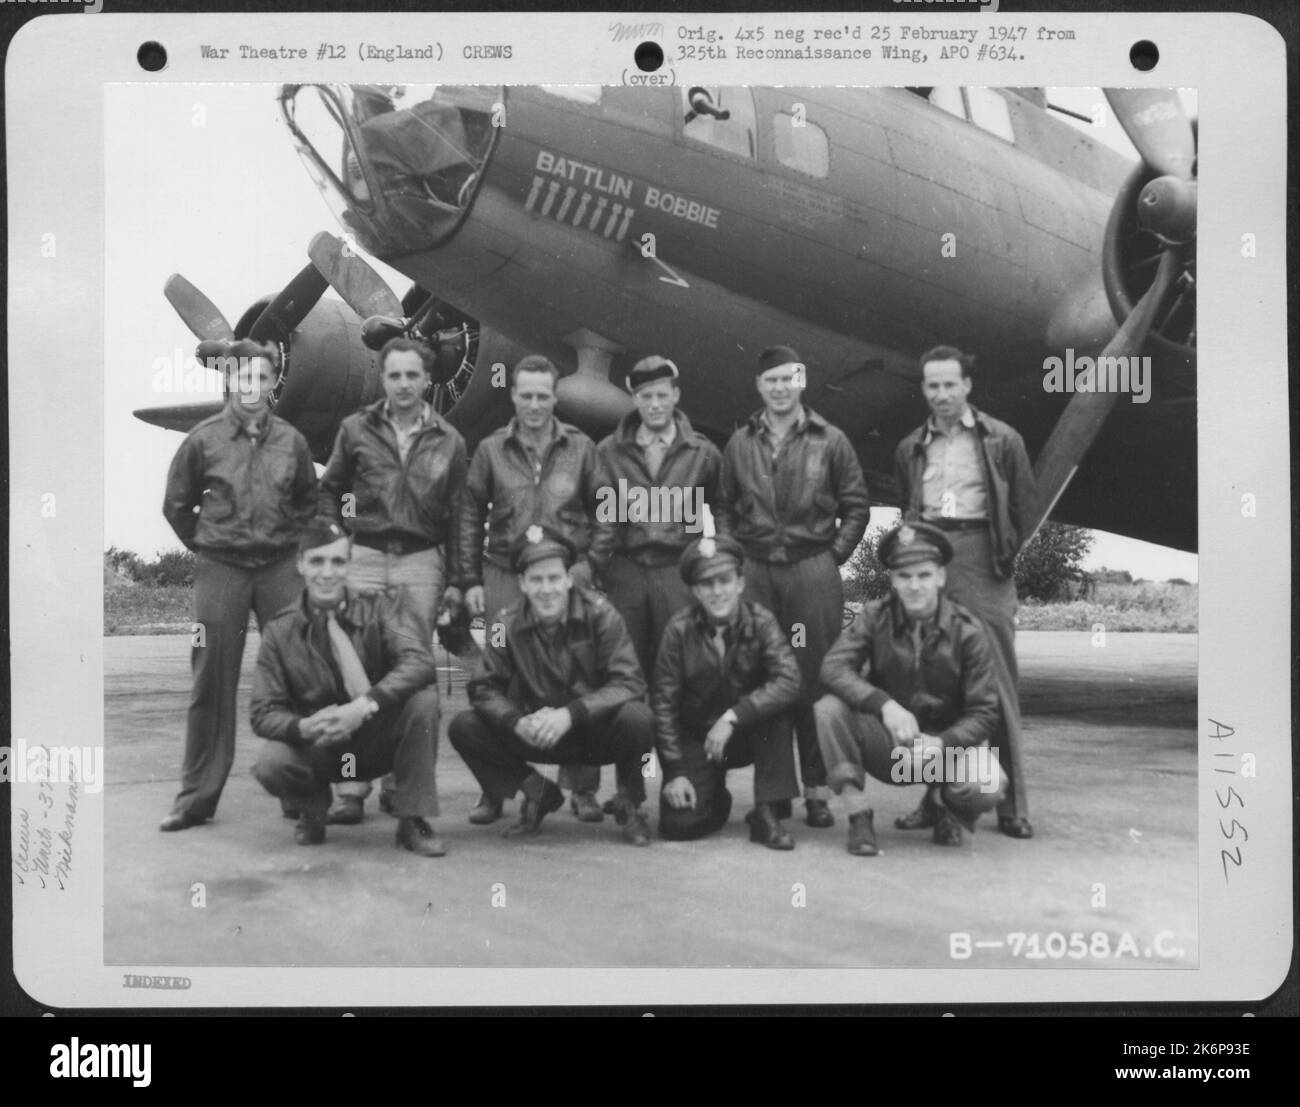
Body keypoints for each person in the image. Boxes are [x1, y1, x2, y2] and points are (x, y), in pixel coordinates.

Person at [159, 339, 317, 832]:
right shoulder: (203, 439)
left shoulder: (292, 441)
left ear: (273, 384)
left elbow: (307, 503)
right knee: (211, 677)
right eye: (243, 378)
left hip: (278, 568)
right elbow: (177, 505)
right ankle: (196, 799)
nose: (252, 387)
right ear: (231, 380)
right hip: (221, 567)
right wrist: (209, 544)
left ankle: (297, 791)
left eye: (262, 379)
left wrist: (285, 545)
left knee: (298, 671)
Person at [317, 336, 469, 825]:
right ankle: (350, 787)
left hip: (420, 562)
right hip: (363, 556)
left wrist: (457, 580)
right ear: (383, 379)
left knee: (409, 674)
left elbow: (461, 516)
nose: (404, 384)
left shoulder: (450, 440)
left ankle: (400, 787)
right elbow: (330, 491)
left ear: (428, 379)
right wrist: (335, 545)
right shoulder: (355, 429)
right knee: (352, 672)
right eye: (394, 375)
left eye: (413, 375)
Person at [721, 345, 871, 830]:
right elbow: (722, 506)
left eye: (788, 379)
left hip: (812, 571)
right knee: (766, 677)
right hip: (757, 570)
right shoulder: (740, 443)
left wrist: (832, 557)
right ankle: (775, 792)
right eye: (771, 381)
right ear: (759, 386)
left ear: (802, 380)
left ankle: (819, 790)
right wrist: (734, 556)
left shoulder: (832, 439)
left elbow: (857, 506)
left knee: (815, 678)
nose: (780, 388)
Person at [893, 345, 1037, 839]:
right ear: (924, 389)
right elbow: (906, 504)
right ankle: (937, 801)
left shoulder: (1003, 439)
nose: (941, 395)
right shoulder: (912, 445)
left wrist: (998, 554)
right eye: (932, 386)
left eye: (950, 384)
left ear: (967, 386)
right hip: (931, 554)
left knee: (995, 678)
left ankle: (1013, 804)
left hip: (980, 554)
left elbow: (1024, 507)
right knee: (929, 679)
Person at [459, 354, 605, 824]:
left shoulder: (581, 448)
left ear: (555, 397)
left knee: (579, 674)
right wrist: (468, 579)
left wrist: (584, 571)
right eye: (527, 395)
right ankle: (497, 787)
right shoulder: (490, 450)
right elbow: (468, 514)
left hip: (565, 579)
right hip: (505, 575)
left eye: (544, 395)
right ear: (514, 395)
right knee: (496, 680)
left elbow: (609, 515)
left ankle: (581, 787)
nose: (536, 404)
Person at [248, 520, 446, 855]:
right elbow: (262, 711)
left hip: (376, 741)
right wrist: (304, 726)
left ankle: (412, 820)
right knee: (271, 762)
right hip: (324, 746)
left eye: (338, 562)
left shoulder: (382, 607)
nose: (327, 573)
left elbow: (419, 661)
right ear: (300, 564)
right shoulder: (280, 631)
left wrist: (364, 705)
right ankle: (314, 810)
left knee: (424, 702)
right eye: (317, 561)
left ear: (350, 564)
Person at [448, 526, 654, 845]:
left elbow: (630, 681)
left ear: (569, 579)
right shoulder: (504, 624)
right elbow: (482, 686)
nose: (547, 589)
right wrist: (516, 722)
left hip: (590, 730)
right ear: (522, 584)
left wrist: (571, 714)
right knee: (464, 726)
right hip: (536, 732)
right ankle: (538, 792)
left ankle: (630, 801)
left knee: (638, 717)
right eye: (536, 579)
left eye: (554, 578)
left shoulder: (601, 615)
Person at [813, 522, 1004, 855]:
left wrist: (942, 743)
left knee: (989, 783)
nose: (914, 586)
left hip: (940, 752)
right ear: (892, 580)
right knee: (828, 709)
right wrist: (884, 705)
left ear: (941, 577)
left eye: (924, 575)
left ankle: (942, 805)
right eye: (904, 576)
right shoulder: (875, 617)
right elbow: (833, 667)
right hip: (889, 747)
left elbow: (985, 713)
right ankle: (859, 815)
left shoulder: (968, 632)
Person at [652, 535, 802, 848]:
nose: (717, 591)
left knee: (778, 708)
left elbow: (789, 679)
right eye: (707, 584)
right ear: (695, 590)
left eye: (724, 580)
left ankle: (767, 810)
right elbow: (663, 703)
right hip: (699, 737)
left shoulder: (762, 622)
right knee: (678, 826)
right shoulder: (678, 630)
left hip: (747, 732)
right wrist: (676, 771)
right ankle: (714, 793)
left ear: (740, 583)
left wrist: (734, 716)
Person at [589, 355, 729, 677]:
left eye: (662, 395)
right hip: (627, 572)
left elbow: (722, 508)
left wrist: (719, 558)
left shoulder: (703, 452)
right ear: (634, 398)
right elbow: (599, 518)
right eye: (646, 396)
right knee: (623, 668)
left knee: (681, 666)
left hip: (678, 571)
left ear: (675, 396)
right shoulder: (609, 452)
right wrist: (596, 565)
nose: (654, 405)